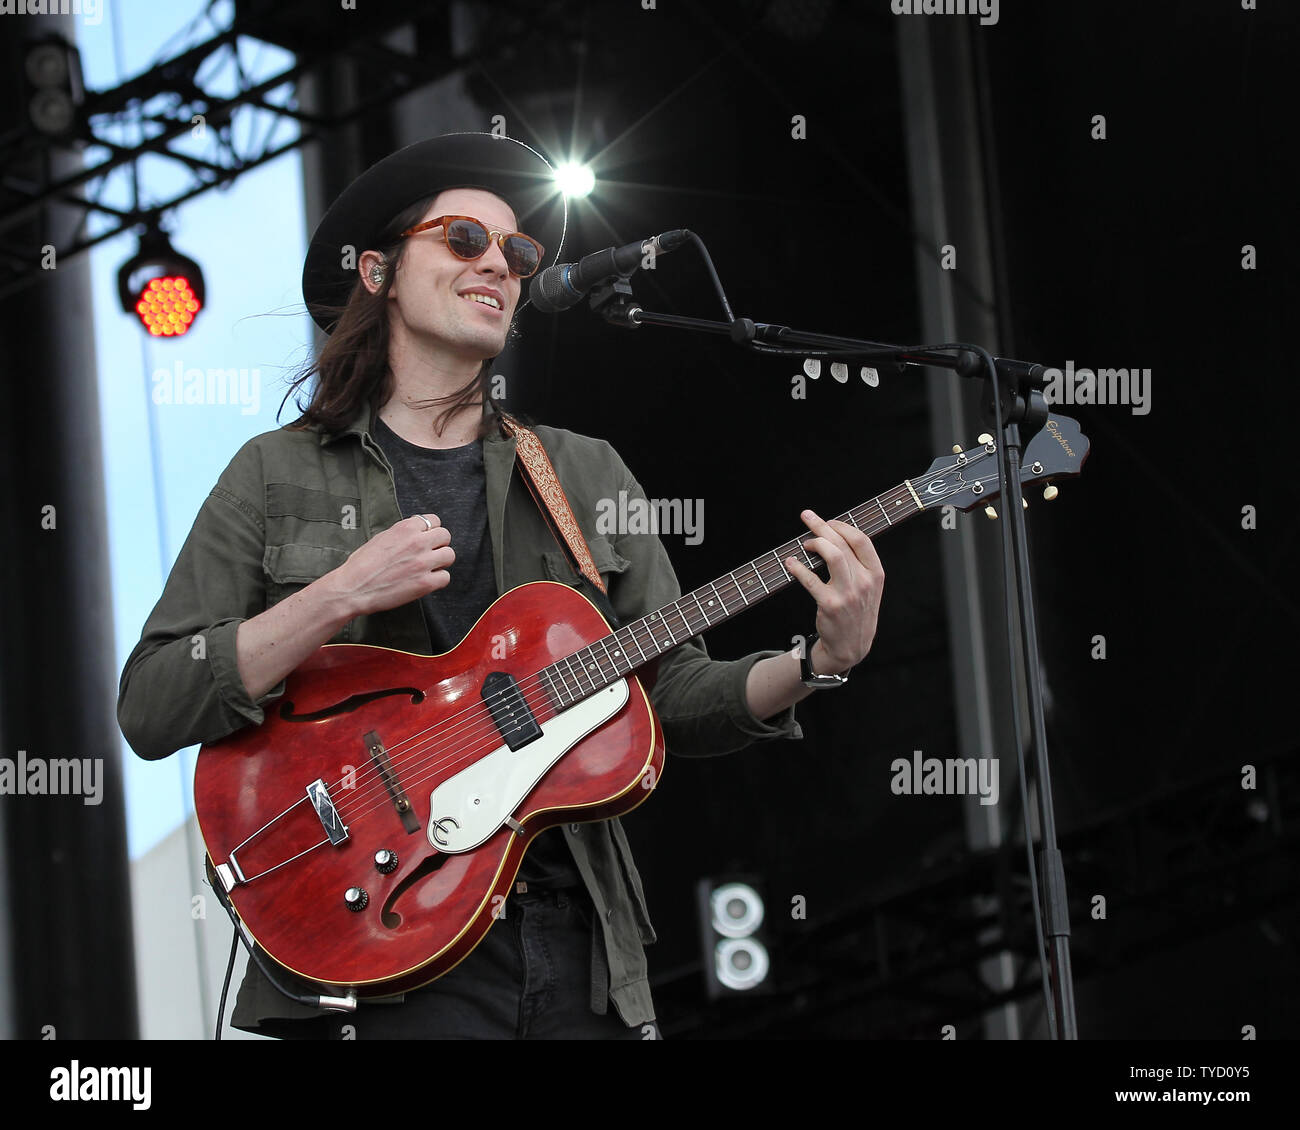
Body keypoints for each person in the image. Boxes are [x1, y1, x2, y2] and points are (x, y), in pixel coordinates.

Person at [116, 132, 885, 1039]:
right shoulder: (274, 475)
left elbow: (672, 693)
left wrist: (818, 660)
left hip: (576, 946)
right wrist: (336, 594)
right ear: (378, 271)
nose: (501, 267)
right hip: (378, 953)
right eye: (464, 240)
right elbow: (154, 702)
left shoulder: (584, 473)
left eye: (518, 253)